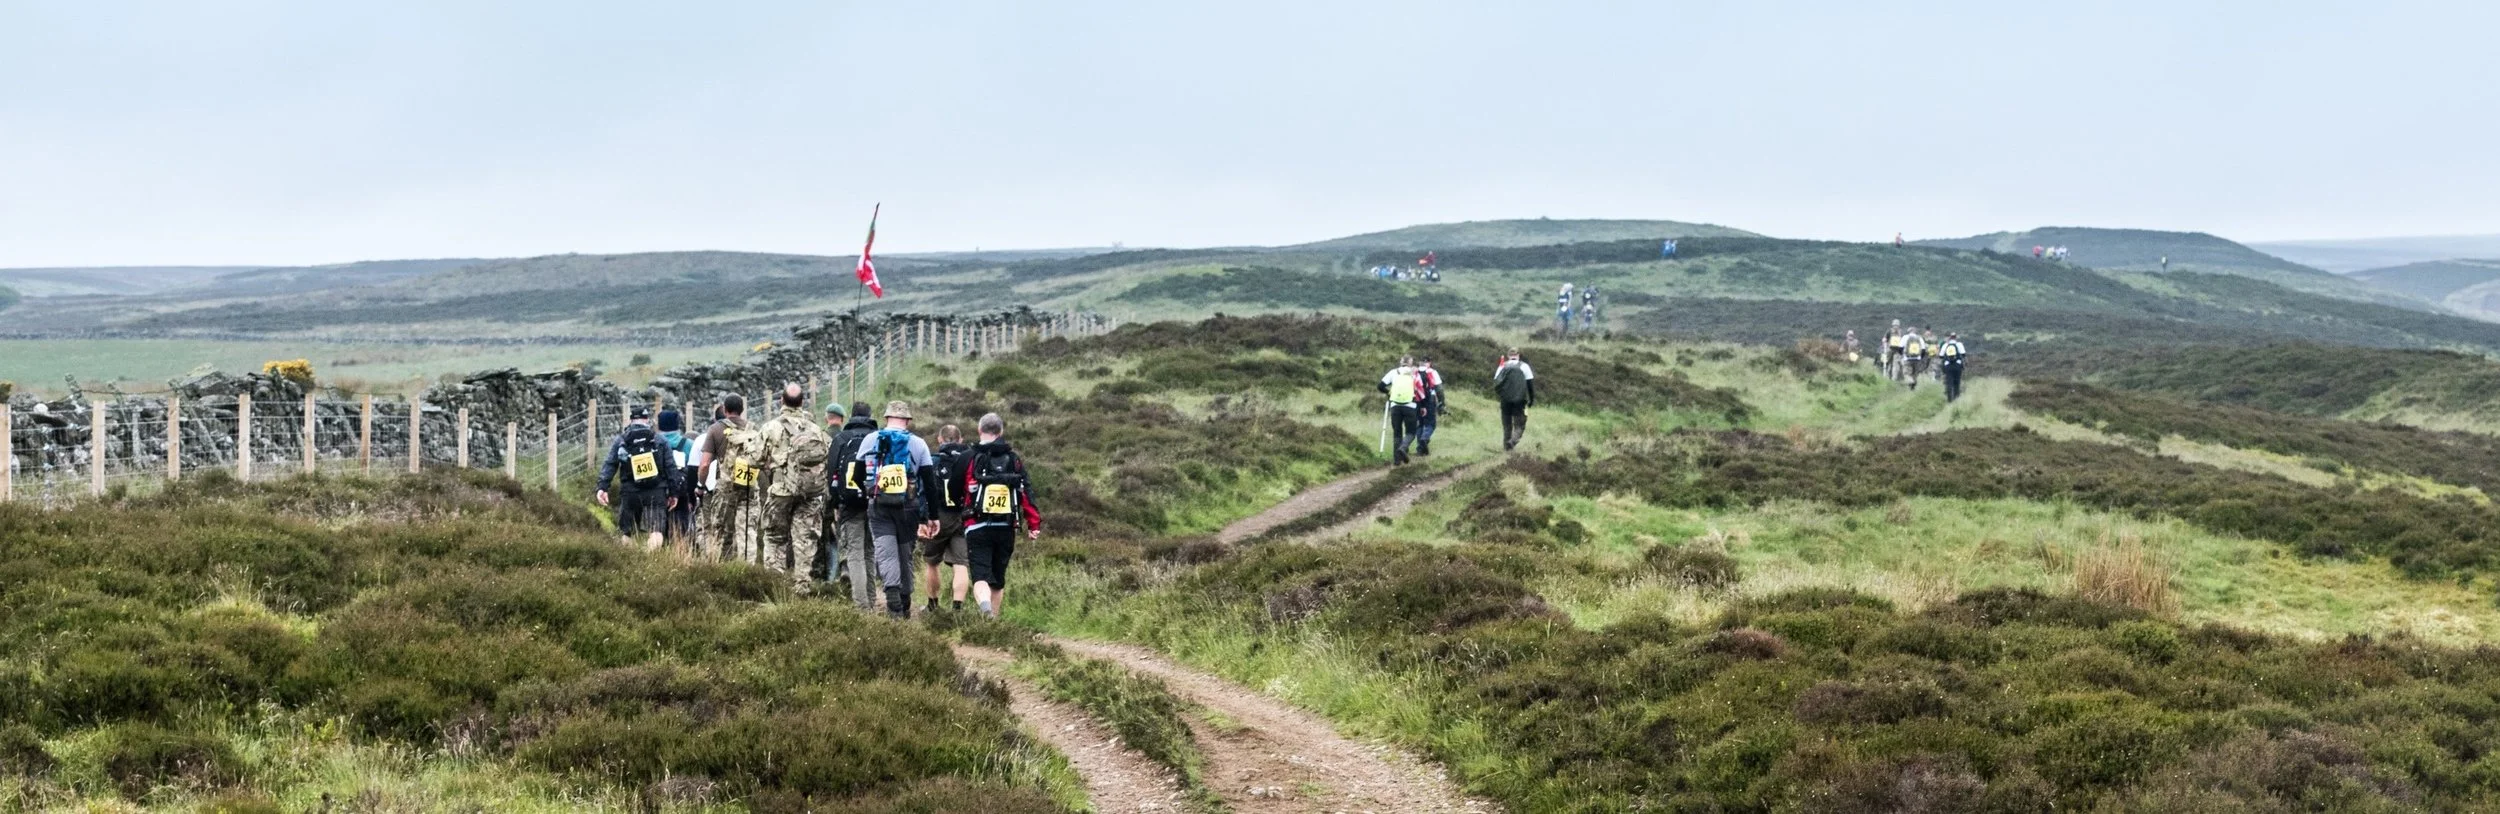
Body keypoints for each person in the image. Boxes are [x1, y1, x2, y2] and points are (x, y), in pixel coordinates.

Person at [853, 400, 938, 618]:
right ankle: (906, 599)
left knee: (886, 553)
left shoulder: (870, 440)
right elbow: (929, 483)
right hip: (908, 508)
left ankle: (893, 606)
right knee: (904, 555)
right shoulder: (919, 444)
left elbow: (857, 476)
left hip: (878, 505)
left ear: (886, 418)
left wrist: (869, 492)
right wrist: (932, 517)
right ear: (907, 421)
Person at [755, 384, 831, 596]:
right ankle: (802, 586)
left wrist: (769, 464)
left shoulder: (771, 427)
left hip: (780, 491)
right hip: (810, 492)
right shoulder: (815, 429)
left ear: (781, 401)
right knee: (804, 539)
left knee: (774, 537)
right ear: (802, 402)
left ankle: (775, 585)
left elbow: (754, 458)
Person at [963, 412, 1041, 618]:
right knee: (998, 579)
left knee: (980, 577)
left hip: (976, 525)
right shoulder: (1014, 460)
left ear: (980, 431)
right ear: (1001, 432)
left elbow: (960, 488)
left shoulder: (972, 457)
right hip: (1006, 527)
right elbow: (1026, 493)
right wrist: (1034, 525)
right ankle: (993, 621)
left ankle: (986, 608)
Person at [596, 405, 680, 551]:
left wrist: (603, 487)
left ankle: (631, 562)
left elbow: (610, 463)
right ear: (647, 420)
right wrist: (674, 493)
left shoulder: (621, 440)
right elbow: (670, 467)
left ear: (631, 420)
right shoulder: (659, 440)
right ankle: (648, 557)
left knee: (627, 532)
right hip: (656, 491)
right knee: (656, 530)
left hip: (630, 491)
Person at [826, 401, 881, 609]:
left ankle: (861, 606)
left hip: (849, 505)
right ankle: (872, 600)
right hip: (875, 501)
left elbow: (831, 473)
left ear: (851, 416)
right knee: (870, 552)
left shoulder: (841, 439)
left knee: (855, 553)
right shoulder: (878, 438)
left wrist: (835, 503)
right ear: (870, 416)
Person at [695, 395, 759, 563]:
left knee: (720, 530)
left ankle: (720, 569)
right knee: (747, 531)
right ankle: (748, 571)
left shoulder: (715, 430)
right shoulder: (754, 429)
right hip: (748, 485)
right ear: (742, 410)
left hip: (725, 487)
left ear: (724, 409)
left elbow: (704, 464)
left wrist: (700, 485)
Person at [920, 424, 976, 614]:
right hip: (963, 516)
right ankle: (957, 608)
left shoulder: (933, 461)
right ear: (960, 440)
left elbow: (924, 490)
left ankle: (932, 606)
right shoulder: (970, 460)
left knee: (932, 562)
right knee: (961, 565)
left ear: (939, 439)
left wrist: (924, 516)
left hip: (938, 517)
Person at [655, 409, 700, 558]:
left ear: (659, 425)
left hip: (658, 491)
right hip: (682, 493)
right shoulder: (688, 444)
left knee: (657, 528)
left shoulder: (654, 443)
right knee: (681, 527)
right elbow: (694, 470)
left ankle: (659, 558)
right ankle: (680, 556)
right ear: (677, 425)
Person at [1378, 356, 1423, 466]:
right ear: (1410, 363)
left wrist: (1389, 393)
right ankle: (1403, 448)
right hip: (1410, 406)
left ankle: (1397, 461)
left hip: (1395, 406)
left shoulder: (1393, 372)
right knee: (1411, 432)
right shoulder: (1414, 374)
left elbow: (1380, 386)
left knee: (1397, 432)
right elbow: (1421, 391)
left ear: (1401, 362)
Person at [1494, 349, 1536, 451]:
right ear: (1518, 355)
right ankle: (1512, 442)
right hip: (1520, 401)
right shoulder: (1524, 366)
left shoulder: (1502, 366)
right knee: (1520, 425)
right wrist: (1531, 399)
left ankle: (1507, 451)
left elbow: (1496, 382)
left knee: (1507, 426)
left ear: (1508, 355)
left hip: (1505, 401)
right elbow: (1530, 384)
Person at [1413, 357, 1445, 457]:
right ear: (1429, 363)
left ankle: (1419, 450)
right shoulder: (1432, 372)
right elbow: (1439, 389)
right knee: (1431, 423)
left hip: (1417, 400)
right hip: (1430, 400)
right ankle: (1425, 438)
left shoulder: (1415, 372)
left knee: (1420, 423)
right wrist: (1441, 402)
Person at [1937, 332, 1969, 402]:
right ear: (1956, 337)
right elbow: (1963, 355)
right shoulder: (1959, 344)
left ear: (1949, 338)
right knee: (1957, 382)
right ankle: (1956, 398)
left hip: (1948, 366)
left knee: (1949, 382)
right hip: (1957, 366)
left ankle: (1949, 400)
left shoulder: (1946, 345)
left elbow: (1941, 356)